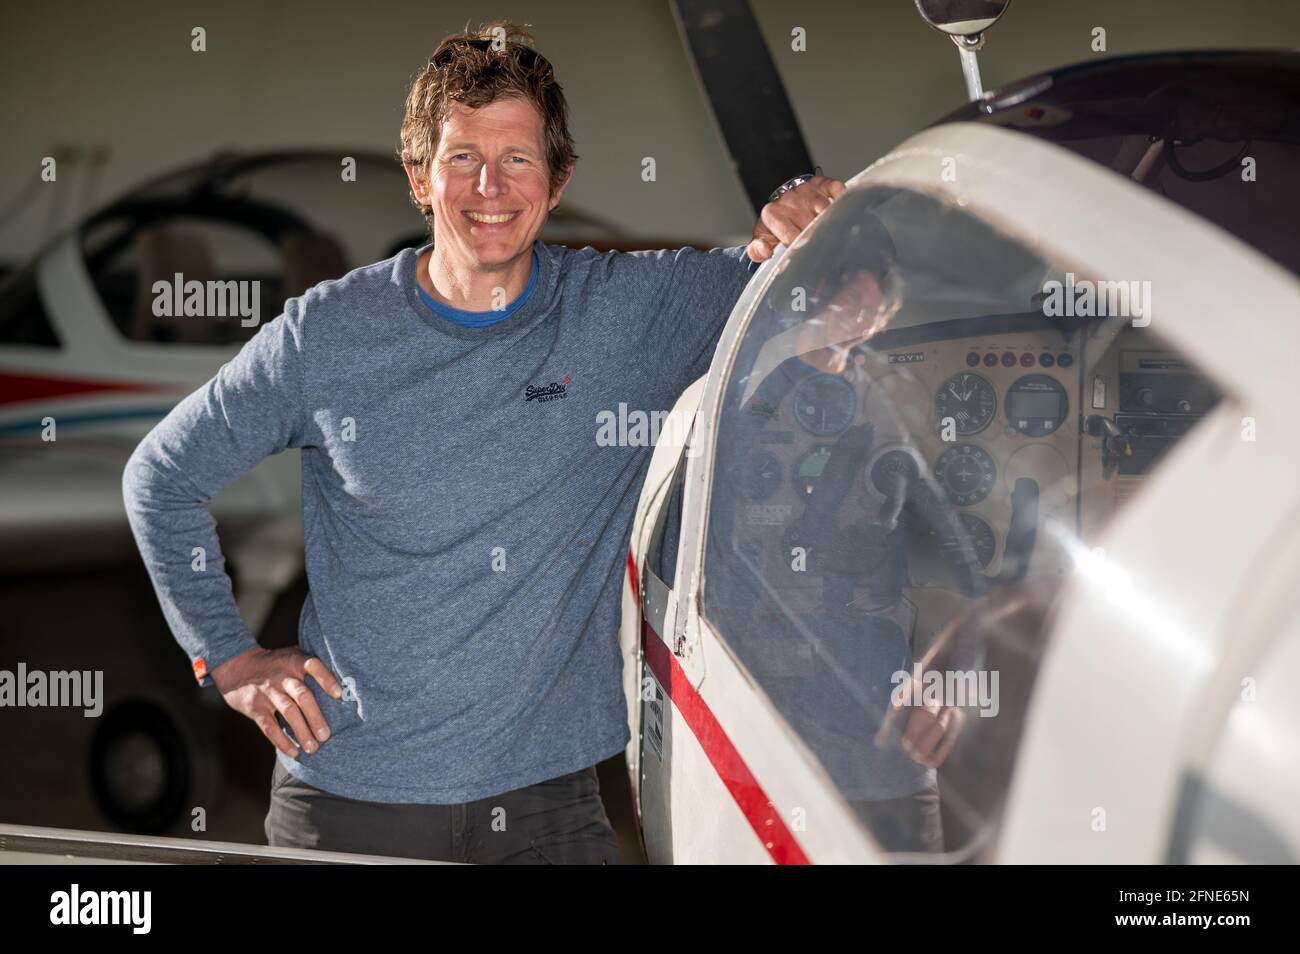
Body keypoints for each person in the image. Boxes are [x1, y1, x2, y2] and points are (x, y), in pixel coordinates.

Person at [121, 20, 842, 864]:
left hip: (550, 816)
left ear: (558, 179)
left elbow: (815, 272)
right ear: (419, 179)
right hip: (348, 806)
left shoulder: (628, 316)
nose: (489, 186)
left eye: (518, 159)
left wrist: (809, 198)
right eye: (461, 157)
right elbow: (162, 476)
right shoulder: (328, 335)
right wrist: (230, 660)